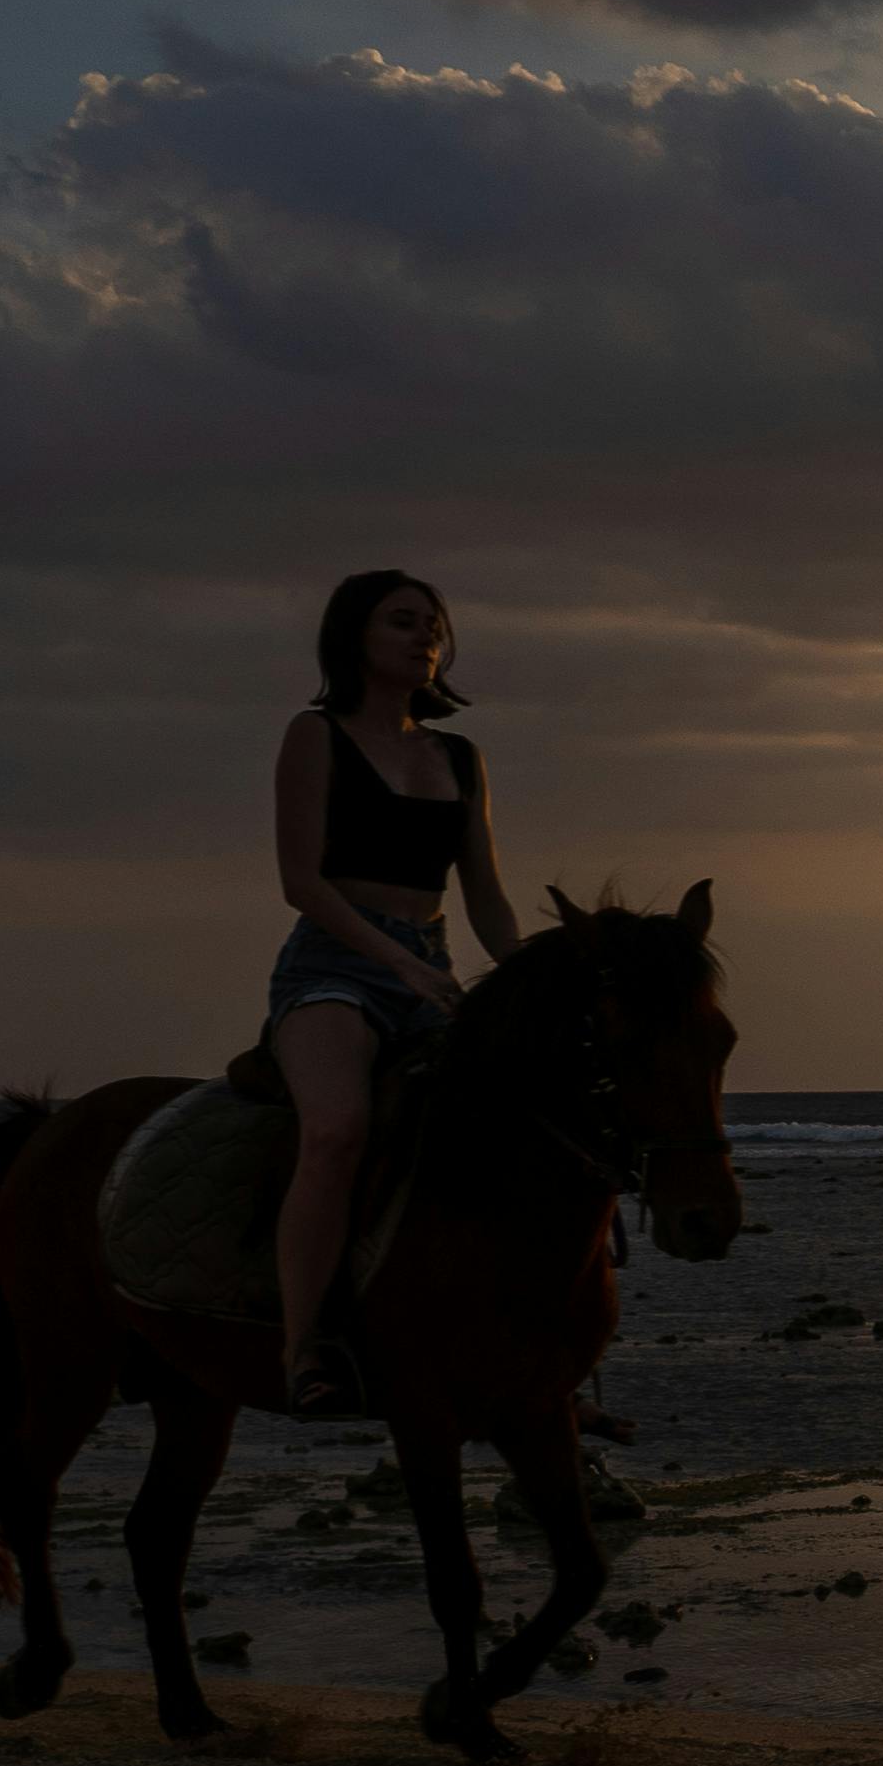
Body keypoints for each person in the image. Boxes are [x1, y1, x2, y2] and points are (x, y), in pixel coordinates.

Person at [265, 569, 520, 1414]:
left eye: (435, 627)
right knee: (337, 1130)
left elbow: (482, 890)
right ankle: (306, 1350)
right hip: (335, 965)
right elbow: (303, 883)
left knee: (520, 1133)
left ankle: (520, 1351)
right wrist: (401, 966)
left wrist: (519, 980)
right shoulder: (316, 736)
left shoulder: (457, 754)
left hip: (434, 960)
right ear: (356, 638)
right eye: (403, 622)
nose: (425, 639)